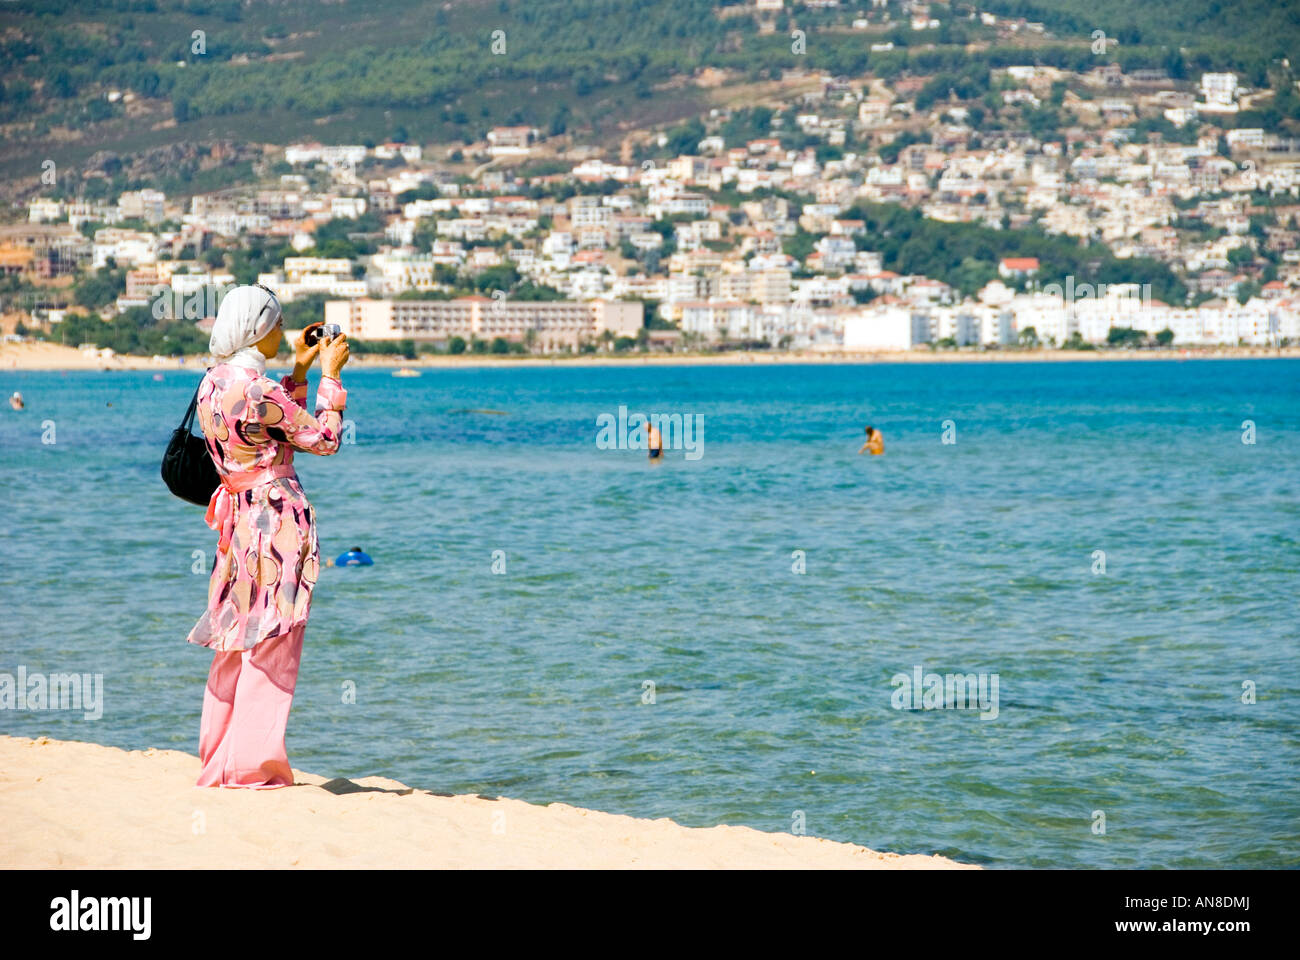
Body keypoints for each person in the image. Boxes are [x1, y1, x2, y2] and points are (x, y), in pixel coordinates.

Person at [186, 285, 350, 789]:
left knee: (236, 635)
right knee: (275, 636)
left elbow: (272, 428)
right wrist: (330, 379)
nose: (283, 331)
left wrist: (297, 373)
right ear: (259, 327)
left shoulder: (213, 382)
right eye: (278, 323)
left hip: (237, 520)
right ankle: (254, 767)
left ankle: (219, 761)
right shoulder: (259, 390)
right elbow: (323, 439)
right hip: (276, 521)